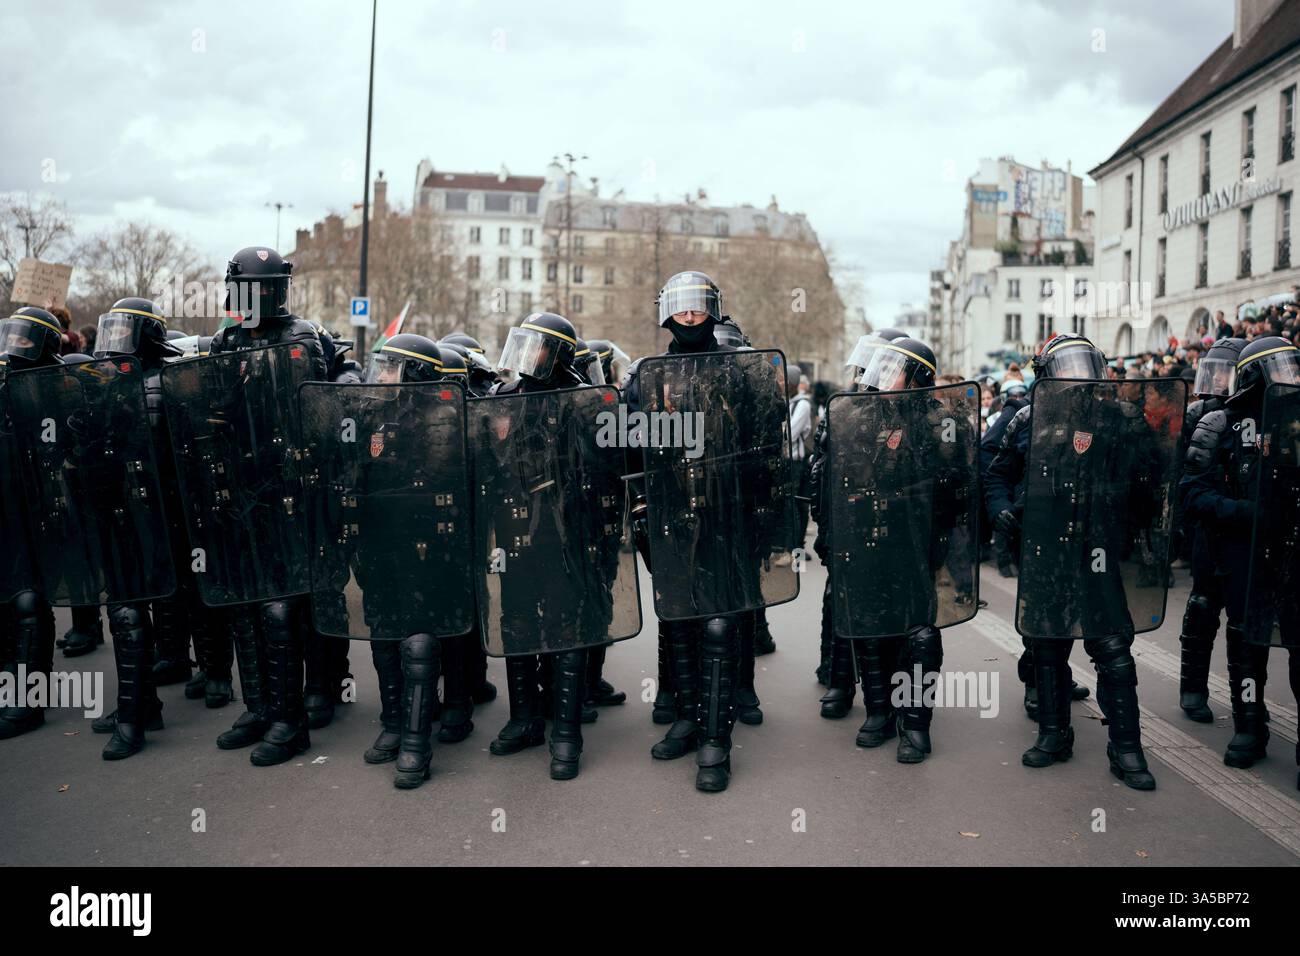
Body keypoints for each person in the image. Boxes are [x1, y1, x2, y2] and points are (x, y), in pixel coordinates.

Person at [626, 272, 794, 791]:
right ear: (666, 314)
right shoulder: (646, 375)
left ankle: (715, 742)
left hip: (728, 516)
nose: (690, 316)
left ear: (714, 310)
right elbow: (631, 449)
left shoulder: (742, 372)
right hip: (674, 518)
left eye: (699, 307)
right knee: (679, 619)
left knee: (721, 625)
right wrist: (638, 511)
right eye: (681, 308)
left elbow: (769, 448)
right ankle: (686, 718)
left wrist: (763, 514)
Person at [985, 333, 1157, 790]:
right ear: (1045, 374)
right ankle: (1054, 734)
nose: (1077, 376)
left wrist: (1139, 528)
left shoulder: (1122, 417)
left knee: (1114, 653)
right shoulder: (1027, 418)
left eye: (1084, 364)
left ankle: (1126, 748)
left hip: (1098, 548)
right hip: (1045, 546)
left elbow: (1150, 477)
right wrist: (1001, 508)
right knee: (1047, 644)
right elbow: (996, 473)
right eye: (1067, 366)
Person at [205, 246, 330, 766]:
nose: (247, 298)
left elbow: (305, 410)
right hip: (240, 494)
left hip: (288, 493)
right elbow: (214, 405)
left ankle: (289, 719)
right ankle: (257, 707)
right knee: (244, 608)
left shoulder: (300, 338)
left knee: (280, 611)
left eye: (256, 289)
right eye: (242, 289)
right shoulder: (226, 339)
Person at [1182, 336, 1300, 781]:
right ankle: (1250, 728)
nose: (1290, 378)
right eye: (1280, 369)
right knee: (1246, 650)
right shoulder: (1220, 423)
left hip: (1293, 556)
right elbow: (1192, 491)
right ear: (1254, 376)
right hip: (1243, 556)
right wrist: (1244, 512)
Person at [0, 308, 67, 739]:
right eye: (12, 335)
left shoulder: (54, 387)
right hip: (5, 507)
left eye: (26, 339)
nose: (15, 345)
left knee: (28, 600)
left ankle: (31, 699)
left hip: (39, 510)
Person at [1174, 338, 1246, 723]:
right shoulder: (1198, 413)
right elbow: (1182, 476)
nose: (1217, 380)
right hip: (1207, 524)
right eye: (1213, 371)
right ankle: (1192, 688)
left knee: (1243, 619)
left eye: (1225, 372)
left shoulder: (1256, 413)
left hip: (1244, 531)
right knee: (1202, 606)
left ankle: (1246, 703)